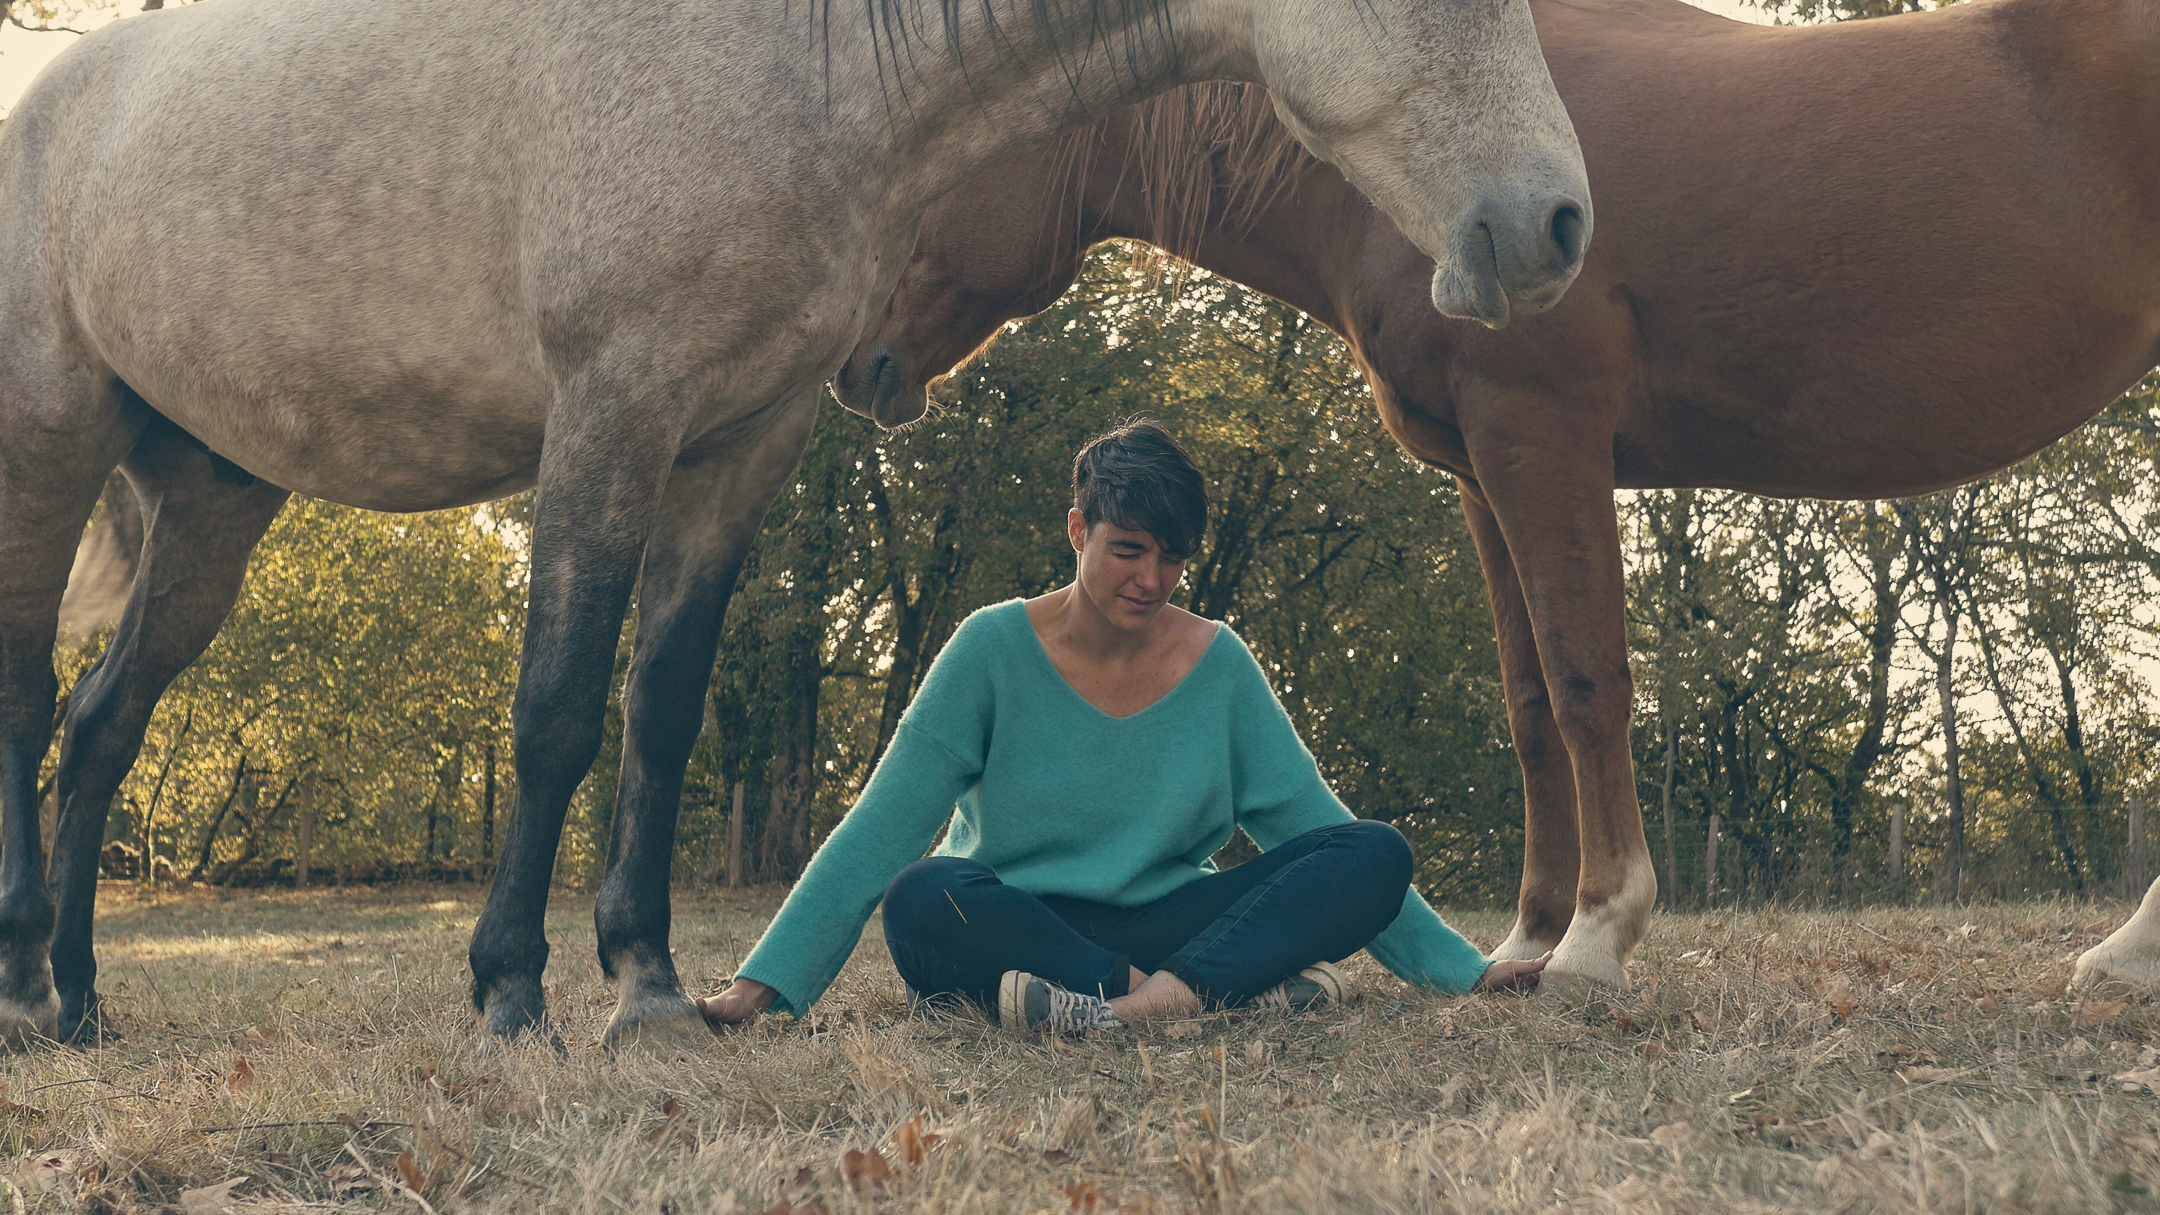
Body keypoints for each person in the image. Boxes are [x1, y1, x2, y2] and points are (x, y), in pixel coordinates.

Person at [700, 420, 1547, 1034]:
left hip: (1170, 919)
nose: (1152, 578)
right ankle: (1213, 997)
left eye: (1172, 557)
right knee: (923, 896)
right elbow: (881, 827)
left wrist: (1466, 974)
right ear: (1079, 530)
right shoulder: (990, 648)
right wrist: (760, 985)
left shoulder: (1219, 665)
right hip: (1023, 924)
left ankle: (1134, 1007)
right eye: (1129, 550)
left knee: (1374, 852)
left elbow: (1314, 826)